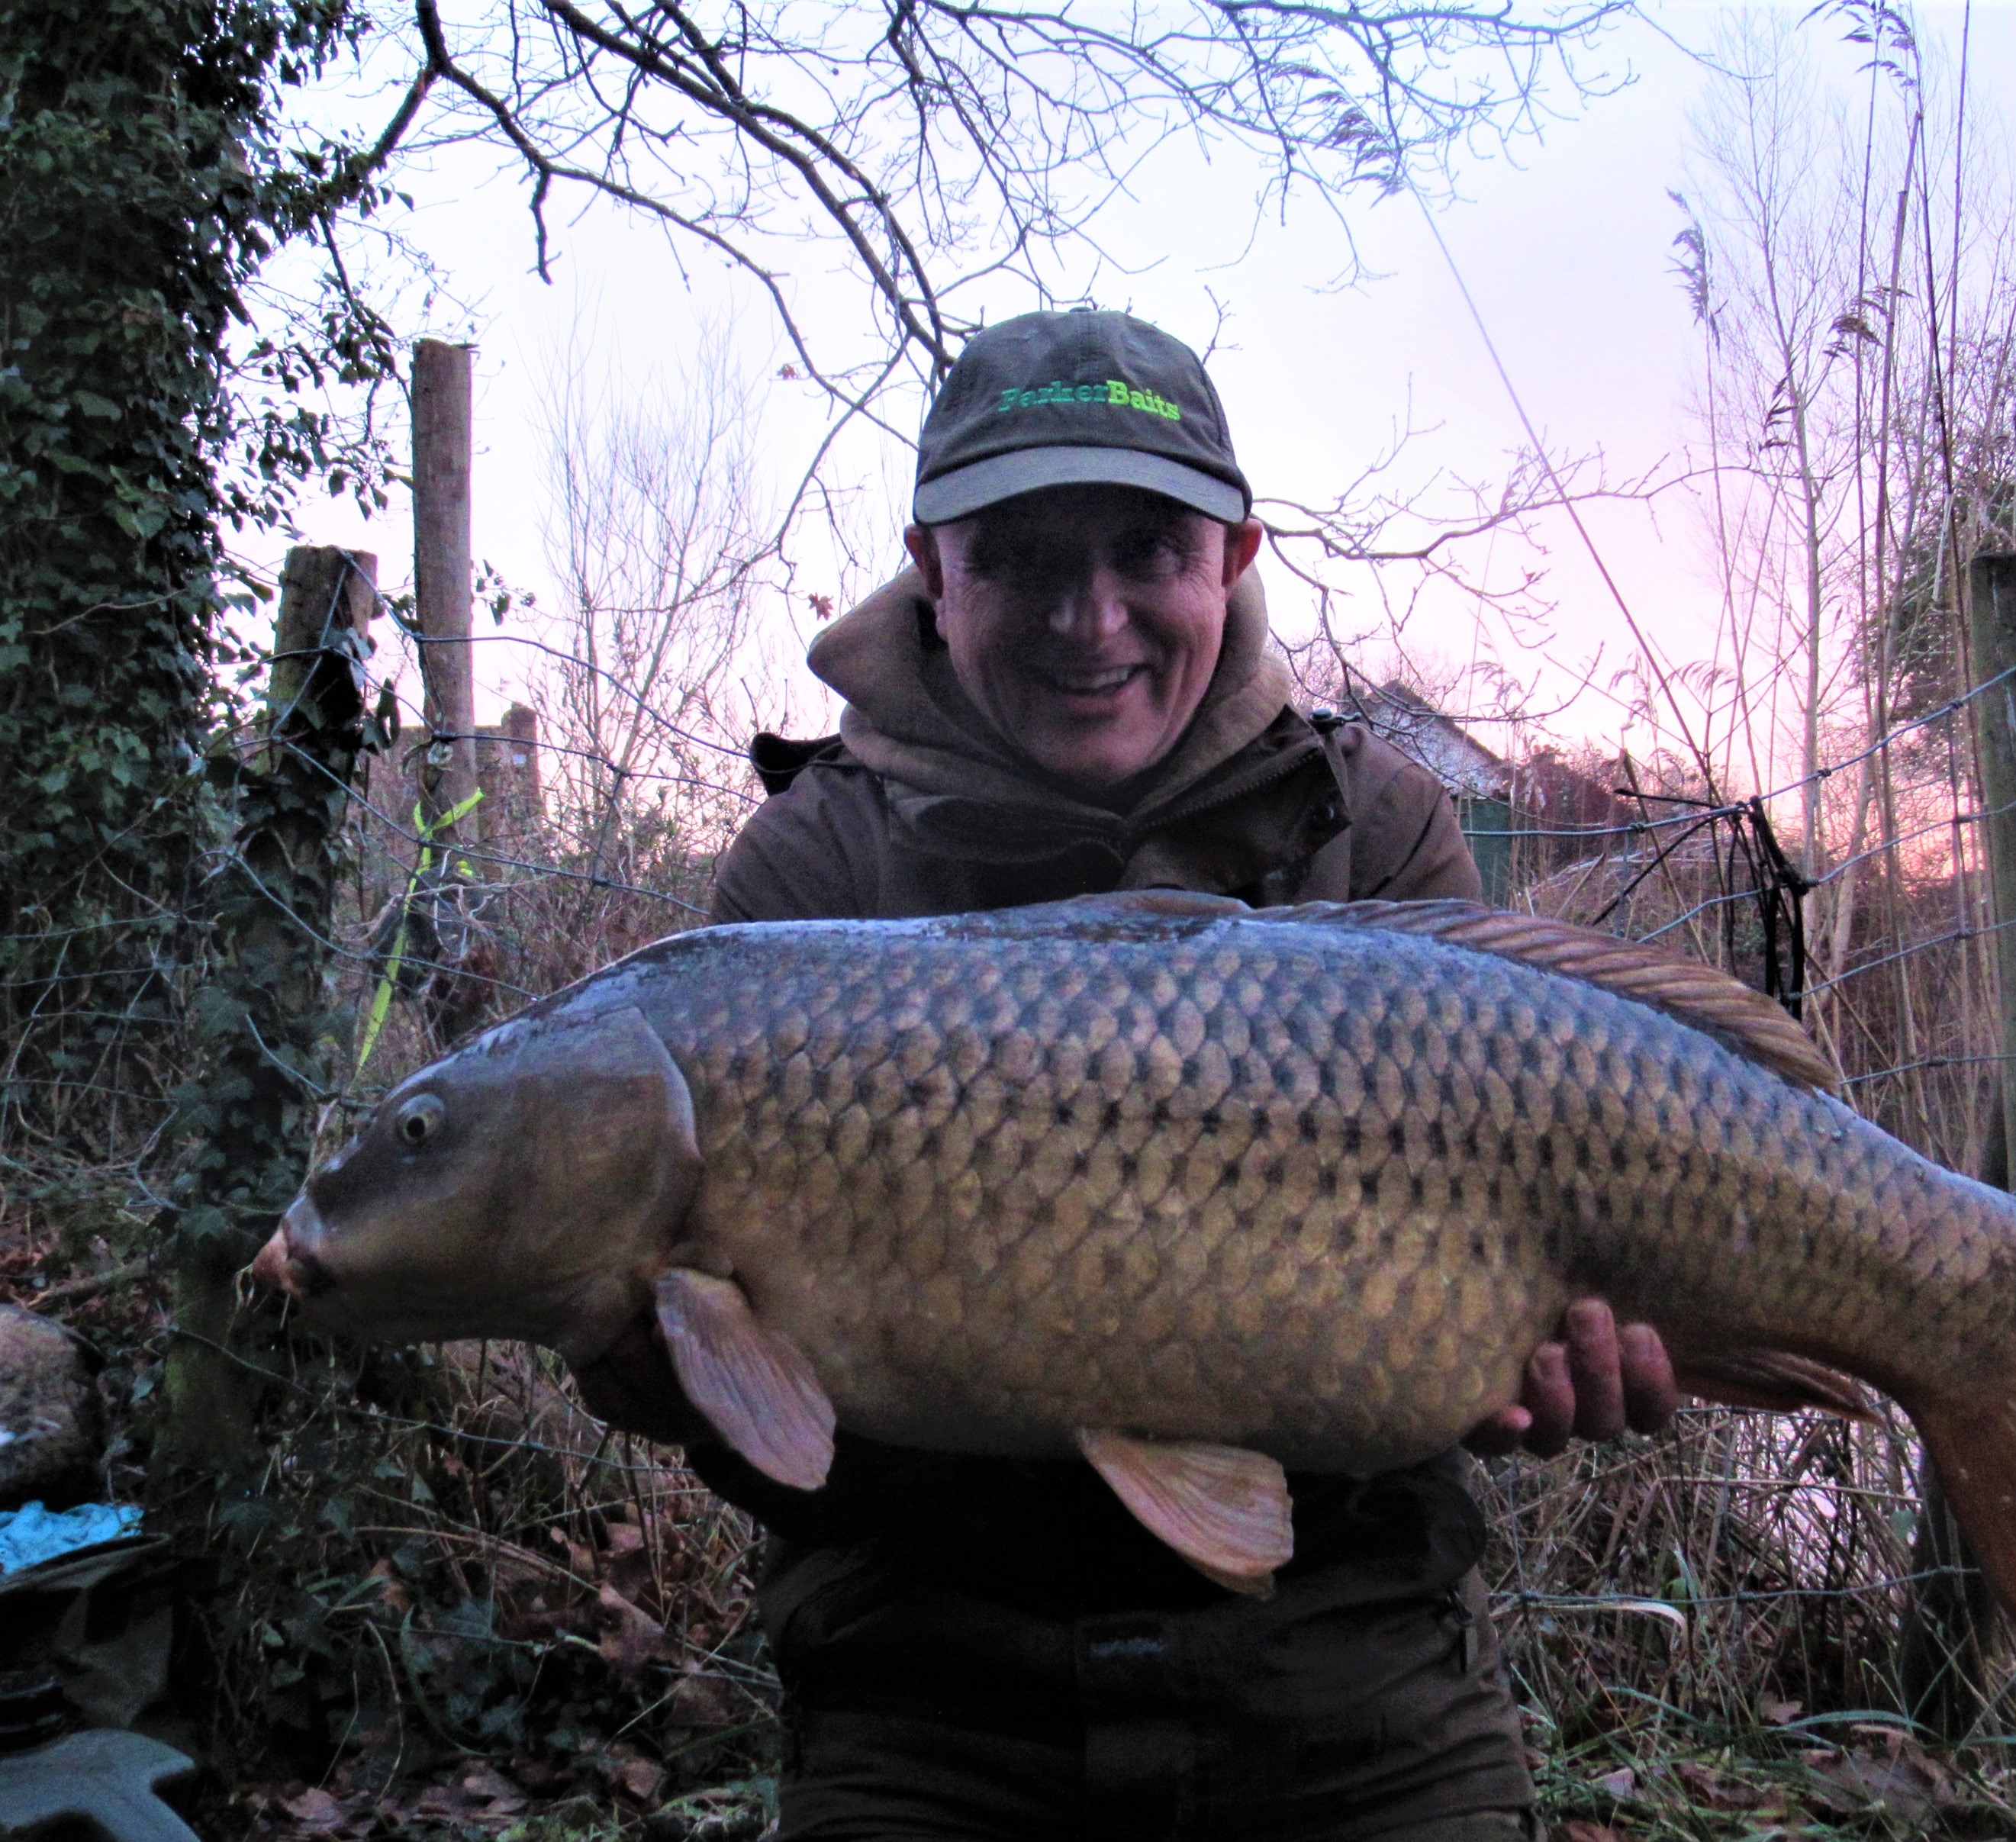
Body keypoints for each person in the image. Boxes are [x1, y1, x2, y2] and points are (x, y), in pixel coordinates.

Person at [575, 308, 1678, 1842]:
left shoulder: (1375, 830)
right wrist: (673, 1381)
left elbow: (1473, 1373)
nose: (1088, 621)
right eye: (1019, 558)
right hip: (934, 1698)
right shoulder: (810, 868)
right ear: (930, 571)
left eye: (1144, 551)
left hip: (1344, 1682)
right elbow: (783, 1447)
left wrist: (1539, 1369)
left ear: (1228, 560)